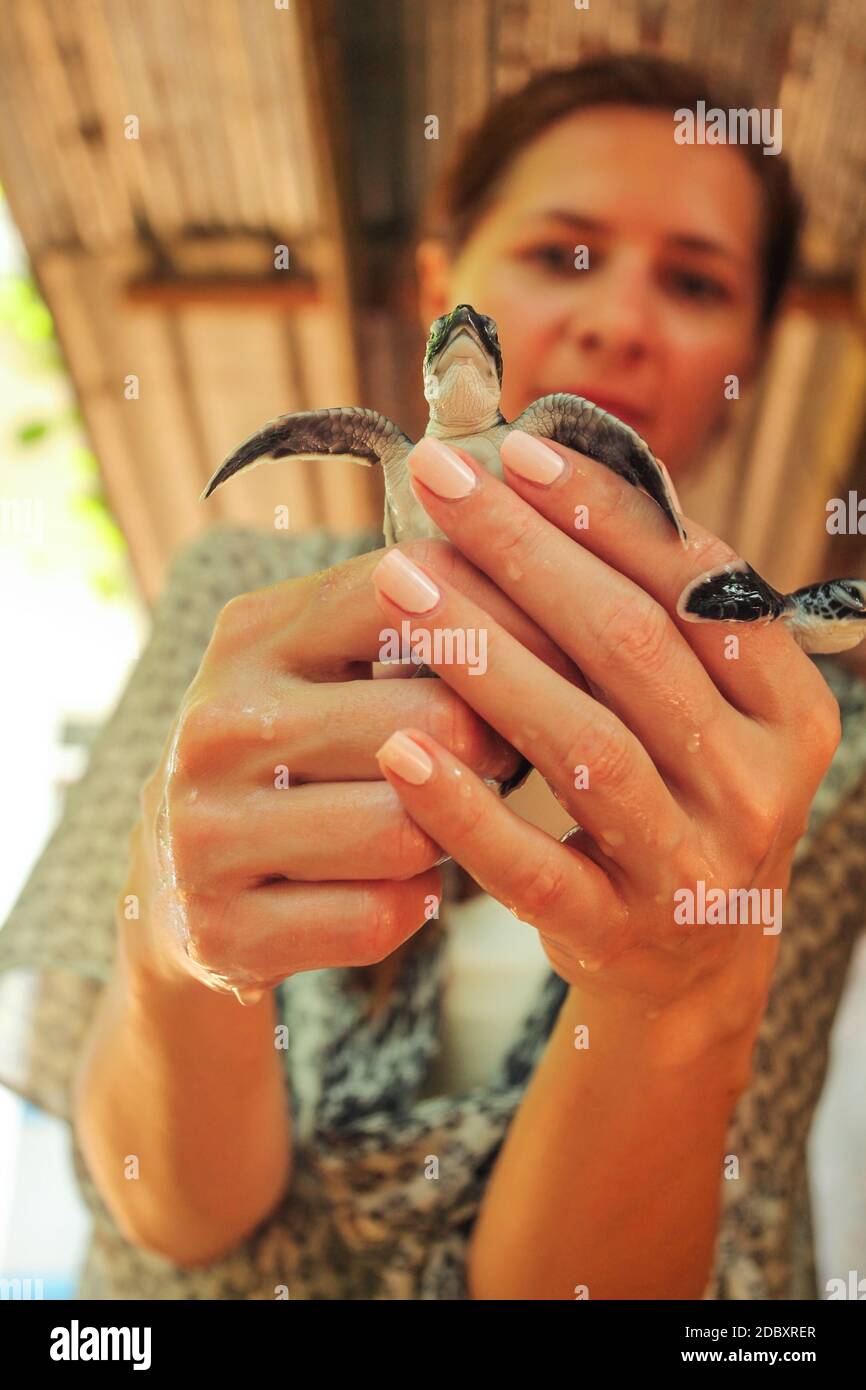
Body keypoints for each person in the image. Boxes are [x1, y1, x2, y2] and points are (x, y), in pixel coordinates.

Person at [1, 51, 864, 1301]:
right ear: (439, 295)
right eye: (561, 253)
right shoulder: (245, 601)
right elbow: (168, 1213)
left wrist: (682, 996)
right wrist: (177, 943)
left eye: (691, 281)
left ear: (746, 349)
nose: (617, 316)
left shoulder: (798, 738)